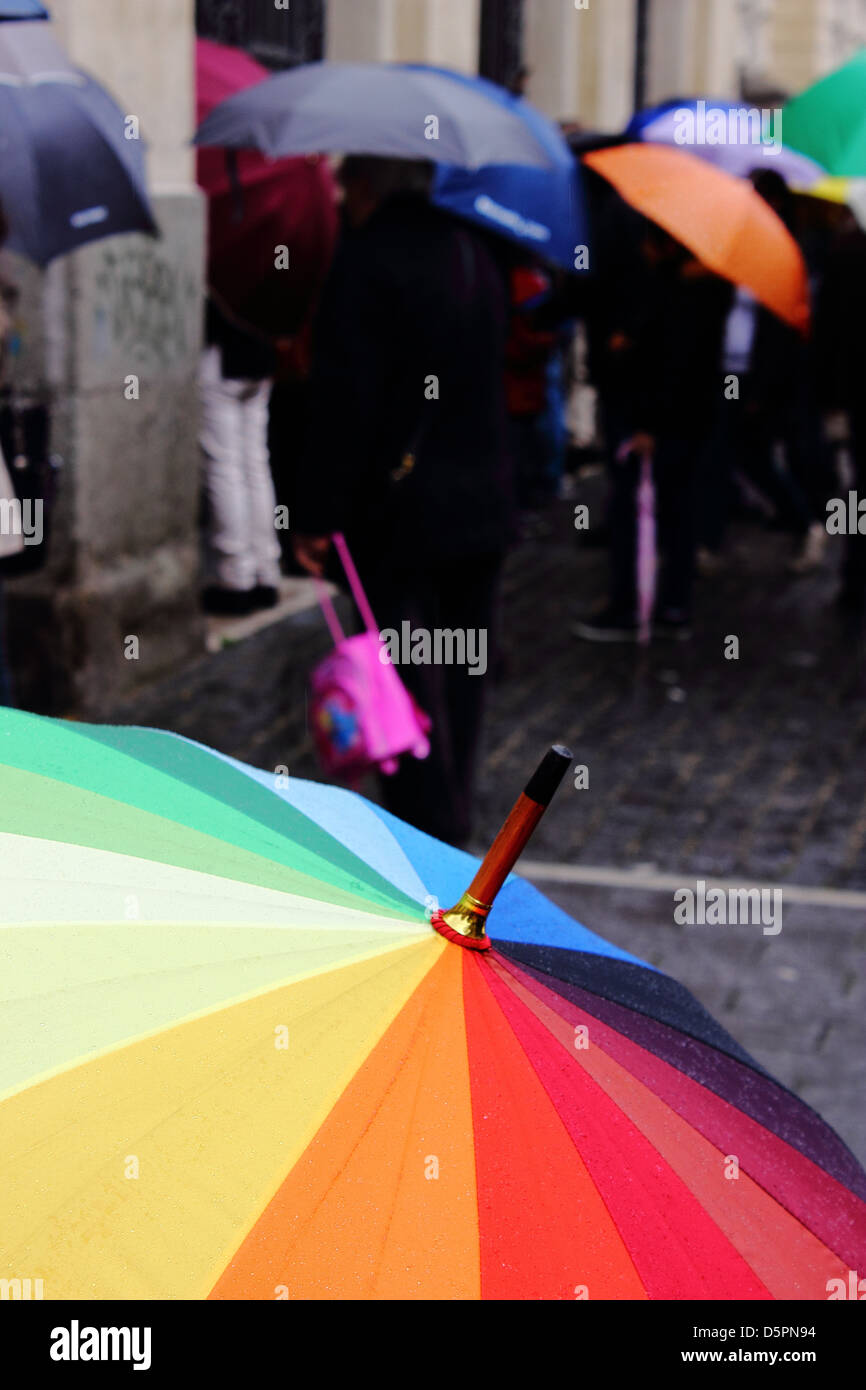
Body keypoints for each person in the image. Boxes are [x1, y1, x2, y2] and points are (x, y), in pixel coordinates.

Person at [291, 155, 512, 846]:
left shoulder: (366, 261)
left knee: (404, 669)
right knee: (463, 666)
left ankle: (428, 830)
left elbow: (344, 403)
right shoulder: (475, 252)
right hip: (481, 500)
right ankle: (455, 811)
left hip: (401, 510)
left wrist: (315, 514)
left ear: (365, 186)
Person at [575, 224, 729, 642]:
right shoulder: (700, 286)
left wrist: (649, 425)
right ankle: (672, 603)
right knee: (678, 510)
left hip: (665, 423)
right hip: (688, 421)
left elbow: (673, 366)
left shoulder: (686, 293)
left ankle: (632, 605)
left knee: (641, 509)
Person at [199, 294, 283, 616]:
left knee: (226, 466)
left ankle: (236, 577)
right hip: (259, 354)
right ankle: (265, 571)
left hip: (226, 354)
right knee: (253, 463)